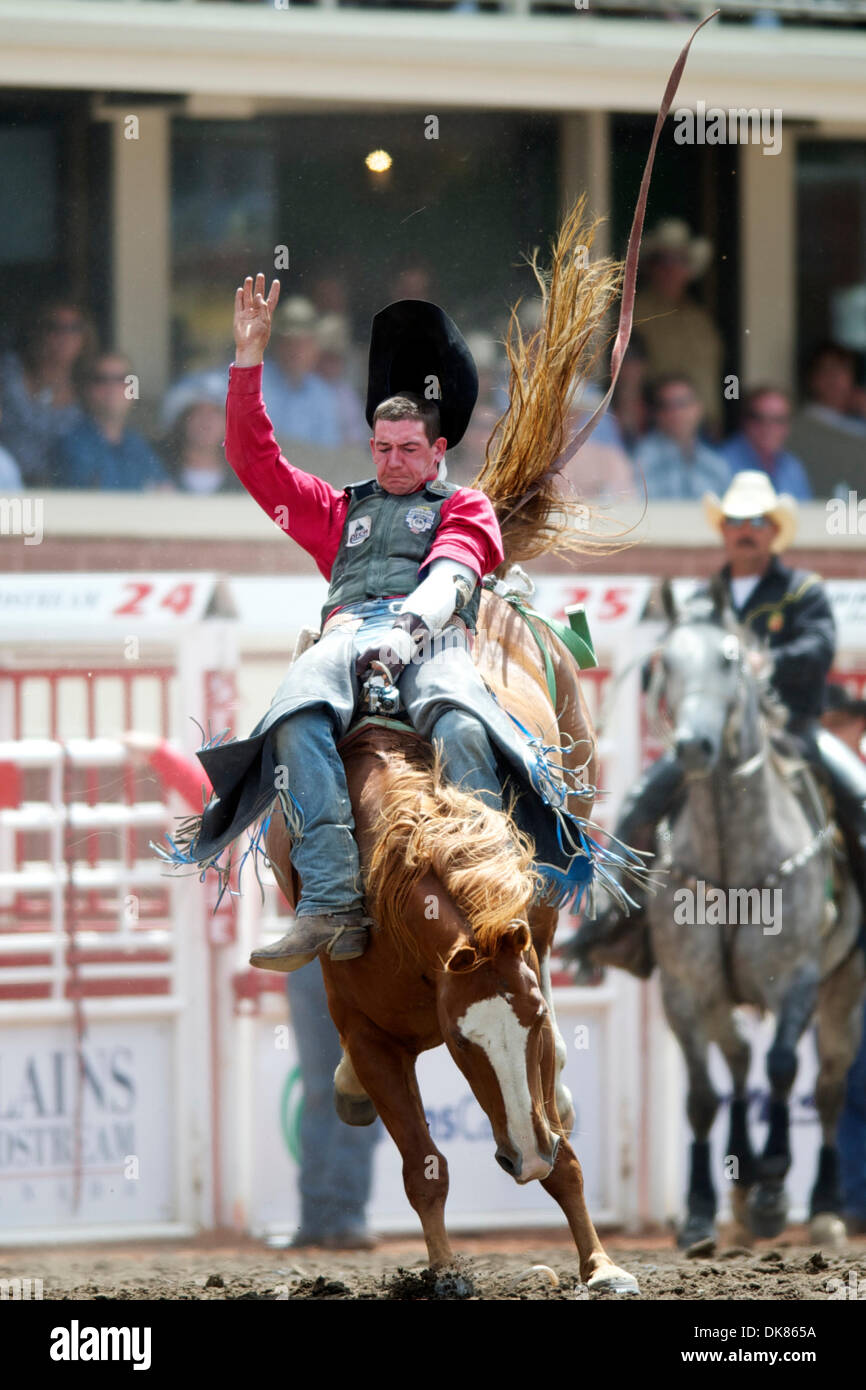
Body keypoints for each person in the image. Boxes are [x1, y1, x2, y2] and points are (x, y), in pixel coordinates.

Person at [164, 276, 605, 973]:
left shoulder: (466, 508)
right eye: (383, 447)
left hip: (432, 634)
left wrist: (407, 629)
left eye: (408, 449)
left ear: (436, 452)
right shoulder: (338, 512)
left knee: (461, 720)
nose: (394, 461)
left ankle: (492, 885)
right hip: (343, 635)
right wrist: (248, 361)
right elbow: (256, 463)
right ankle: (333, 899)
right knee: (294, 712)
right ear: (371, 445)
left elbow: (455, 575)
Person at [572, 470, 866, 980]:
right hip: (710, 739)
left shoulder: (803, 591)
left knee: (857, 797)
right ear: (724, 530)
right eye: (735, 521)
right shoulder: (704, 599)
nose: (744, 530)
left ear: (773, 530)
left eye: (754, 521)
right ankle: (611, 918)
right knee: (646, 796)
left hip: (791, 730)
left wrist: (765, 662)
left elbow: (818, 650)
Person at [122, 730, 381, 1247]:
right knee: (345, 1084)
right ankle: (331, 1218)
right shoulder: (340, 773)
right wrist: (160, 752)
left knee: (343, 1084)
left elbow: (217, 793)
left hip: (334, 950)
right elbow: (217, 791)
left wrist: (159, 751)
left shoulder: (312, 774)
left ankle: (332, 1216)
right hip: (348, 950)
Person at [633, 219, 724, 435]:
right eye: (662, 260)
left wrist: (717, 418)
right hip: (658, 424)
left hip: (703, 427)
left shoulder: (701, 319)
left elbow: (717, 374)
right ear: (650, 266)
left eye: (679, 260)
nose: (670, 268)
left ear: (689, 269)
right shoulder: (635, 313)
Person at [0, 300, 91, 484]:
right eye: (54, 327)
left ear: (85, 338)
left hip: (58, 496)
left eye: (73, 328)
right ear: (36, 332)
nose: (63, 335)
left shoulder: (90, 394)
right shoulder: (8, 373)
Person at [53, 352, 170, 491]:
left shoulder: (137, 444)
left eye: (122, 379)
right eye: (101, 379)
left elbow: (164, 490)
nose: (112, 387)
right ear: (87, 389)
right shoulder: (71, 442)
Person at [259, 297, 342, 449]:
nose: (297, 351)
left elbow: (328, 455)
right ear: (277, 344)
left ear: (316, 349)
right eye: (289, 342)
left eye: (305, 343)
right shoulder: (254, 382)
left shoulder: (323, 395)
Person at [787, 342, 866, 499]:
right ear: (813, 379)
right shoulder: (801, 427)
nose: (834, 380)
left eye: (842, 371)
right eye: (826, 371)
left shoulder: (856, 419)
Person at [634, 374, 730, 500]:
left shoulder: (716, 464)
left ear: (698, 408)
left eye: (682, 403)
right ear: (656, 414)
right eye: (666, 405)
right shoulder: (640, 460)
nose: (674, 412)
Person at [721, 385, 812, 501]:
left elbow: (804, 513)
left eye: (778, 420)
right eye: (758, 418)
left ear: (788, 426)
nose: (767, 427)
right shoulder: (720, 463)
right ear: (744, 420)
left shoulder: (793, 467)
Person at [160, 371, 241, 495]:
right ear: (182, 421)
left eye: (216, 412)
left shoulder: (244, 482)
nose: (206, 420)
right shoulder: (157, 471)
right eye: (197, 411)